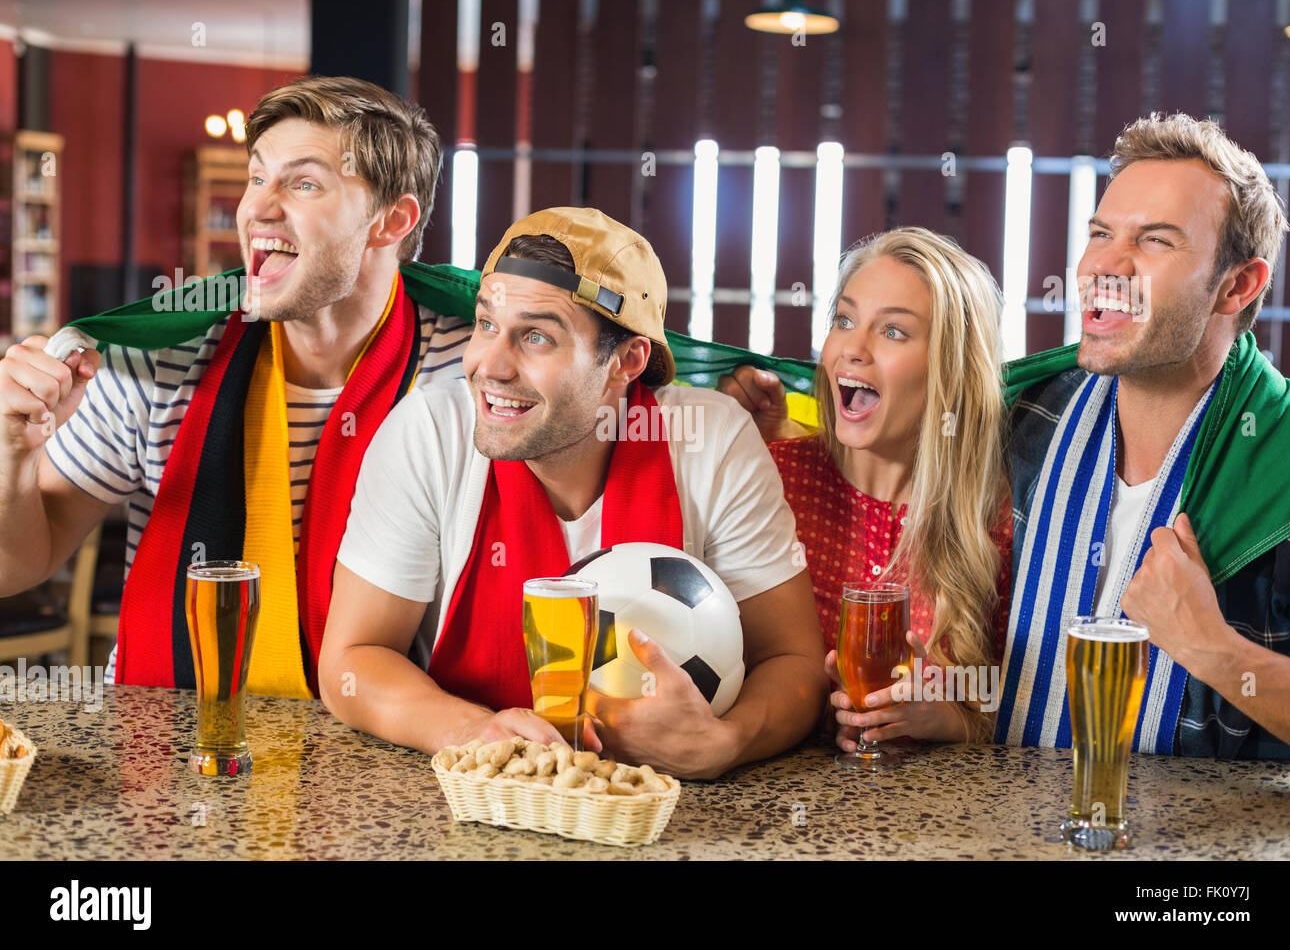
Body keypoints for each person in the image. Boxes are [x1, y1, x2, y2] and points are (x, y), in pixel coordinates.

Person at [0, 75, 474, 699]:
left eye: (303, 183)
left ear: (391, 221)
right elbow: (18, 566)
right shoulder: (160, 355)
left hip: (384, 749)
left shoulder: (470, 373)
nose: (258, 209)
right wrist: (11, 454)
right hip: (160, 744)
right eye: (257, 177)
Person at [319, 207, 827, 780]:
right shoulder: (428, 432)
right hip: (474, 799)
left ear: (626, 362)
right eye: (486, 324)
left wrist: (726, 743)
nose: (490, 366)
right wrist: (471, 732)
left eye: (536, 337)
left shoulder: (712, 441)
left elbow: (795, 663)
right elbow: (351, 662)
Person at [999, 112, 1290, 757]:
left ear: (1238, 286)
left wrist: (1209, 647)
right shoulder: (1028, 419)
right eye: (1100, 233)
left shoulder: (1288, 464)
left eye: (1156, 241)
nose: (1105, 265)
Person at [719, 228, 1012, 749]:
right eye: (844, 320)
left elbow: (1018, 718)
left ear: (952, 369)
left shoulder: (999, 523)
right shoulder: (765, 479)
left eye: (893, 332)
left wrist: (944, 720)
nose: (852, 350)